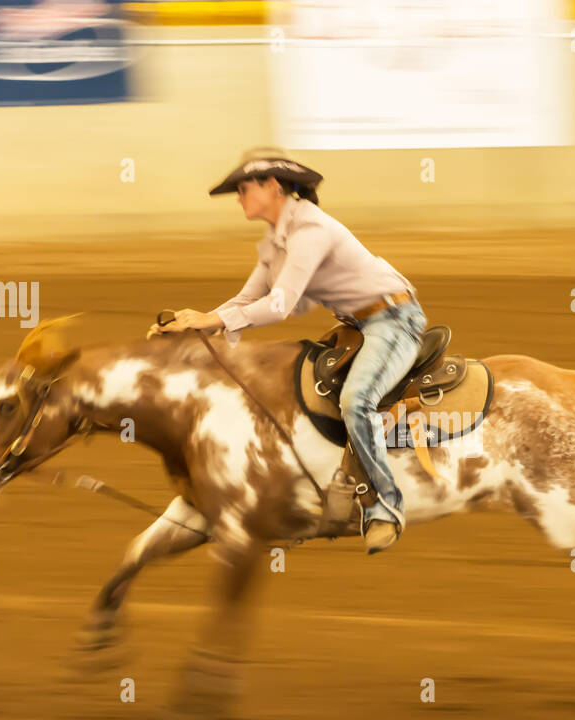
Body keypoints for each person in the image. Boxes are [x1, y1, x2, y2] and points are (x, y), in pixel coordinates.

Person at [148, 147, 426, 554]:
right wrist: (192, 324)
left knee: (356, 399)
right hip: (359, 324)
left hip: (393, 320)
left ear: (273, 187)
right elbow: (246, 300)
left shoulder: (310, 232)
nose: (239, 197)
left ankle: (385, 506)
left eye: (244, 188)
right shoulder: (276, 241)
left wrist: (212, 320)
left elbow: (280, 305)